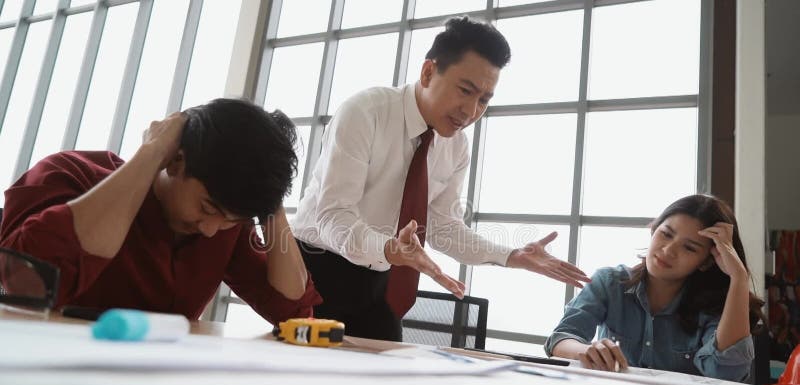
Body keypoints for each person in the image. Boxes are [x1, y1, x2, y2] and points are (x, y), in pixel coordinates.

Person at [292, 16, 590, 341]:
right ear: (428, 72)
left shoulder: (456, 146)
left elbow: (442, 228)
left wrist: (511, 256)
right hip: (313, 270)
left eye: (484, 100)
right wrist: (391, 248)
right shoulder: (365, 113)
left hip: (380, 276)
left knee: (384, 380)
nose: (471, 110)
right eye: (465, 90)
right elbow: (332, 217)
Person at [0, 98, 321, 323]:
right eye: (207, 207)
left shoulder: (226, 224)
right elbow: (26, 283)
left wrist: (269, 201)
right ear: (177, 159)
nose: (211, 229)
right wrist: (152, 152)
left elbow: (292, 312)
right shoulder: (68, 174)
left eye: (230, 220)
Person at [545, 194, 764, 382]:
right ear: (653, 230)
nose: (668, 250)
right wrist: (586, 350)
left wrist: (738, 277)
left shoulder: (713, 305)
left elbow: (725, 374)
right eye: (666, 234)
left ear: (707, 261)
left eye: (689, 247)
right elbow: (560, 339)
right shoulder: (609, 282)